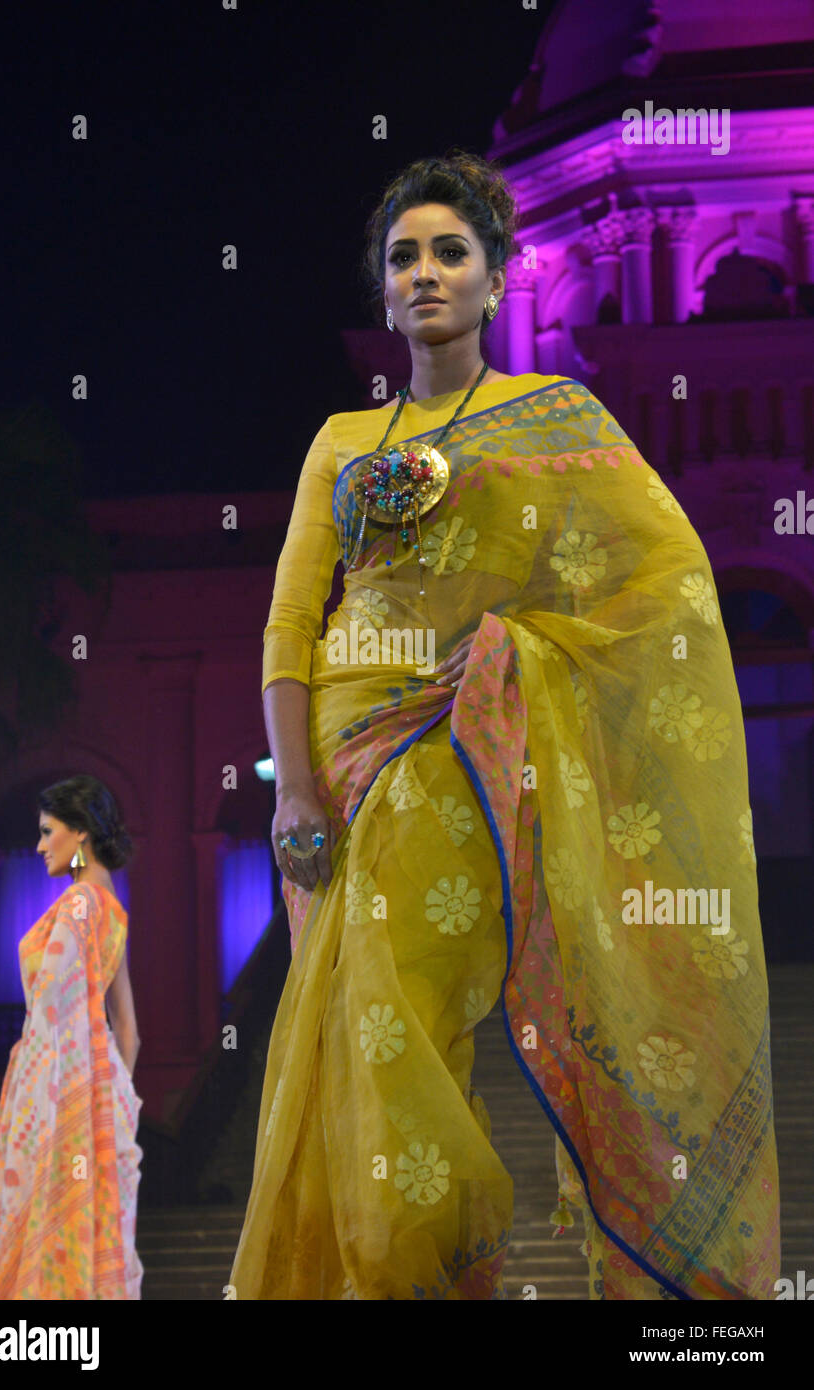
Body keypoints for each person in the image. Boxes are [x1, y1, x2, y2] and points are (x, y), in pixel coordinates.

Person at [228, 151, 780, 1300]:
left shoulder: (556, 421)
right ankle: (407, 1268)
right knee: (359, 1010)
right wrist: (289, 787)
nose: (424, 274)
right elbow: (289, 621)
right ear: (381, 293)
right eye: (401, 258)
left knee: (404, 1003)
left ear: (492, 280)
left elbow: (659, 575)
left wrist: (503, 657)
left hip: (464, 742)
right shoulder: (338, 438)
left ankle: (430, 1259)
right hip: (339, 748)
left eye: (449, 253)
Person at [0, 774, 143, 1299]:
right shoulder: (111, 908)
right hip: (94, 1088)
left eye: (49, 832)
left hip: (57, 1089)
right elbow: (129, 1031)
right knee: (82, 1226)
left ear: (81, 833)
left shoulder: (79, 904)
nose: (40, 845)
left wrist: (60, 1101)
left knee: (37, 1223)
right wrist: (111, 1106)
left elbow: (56, 1017)